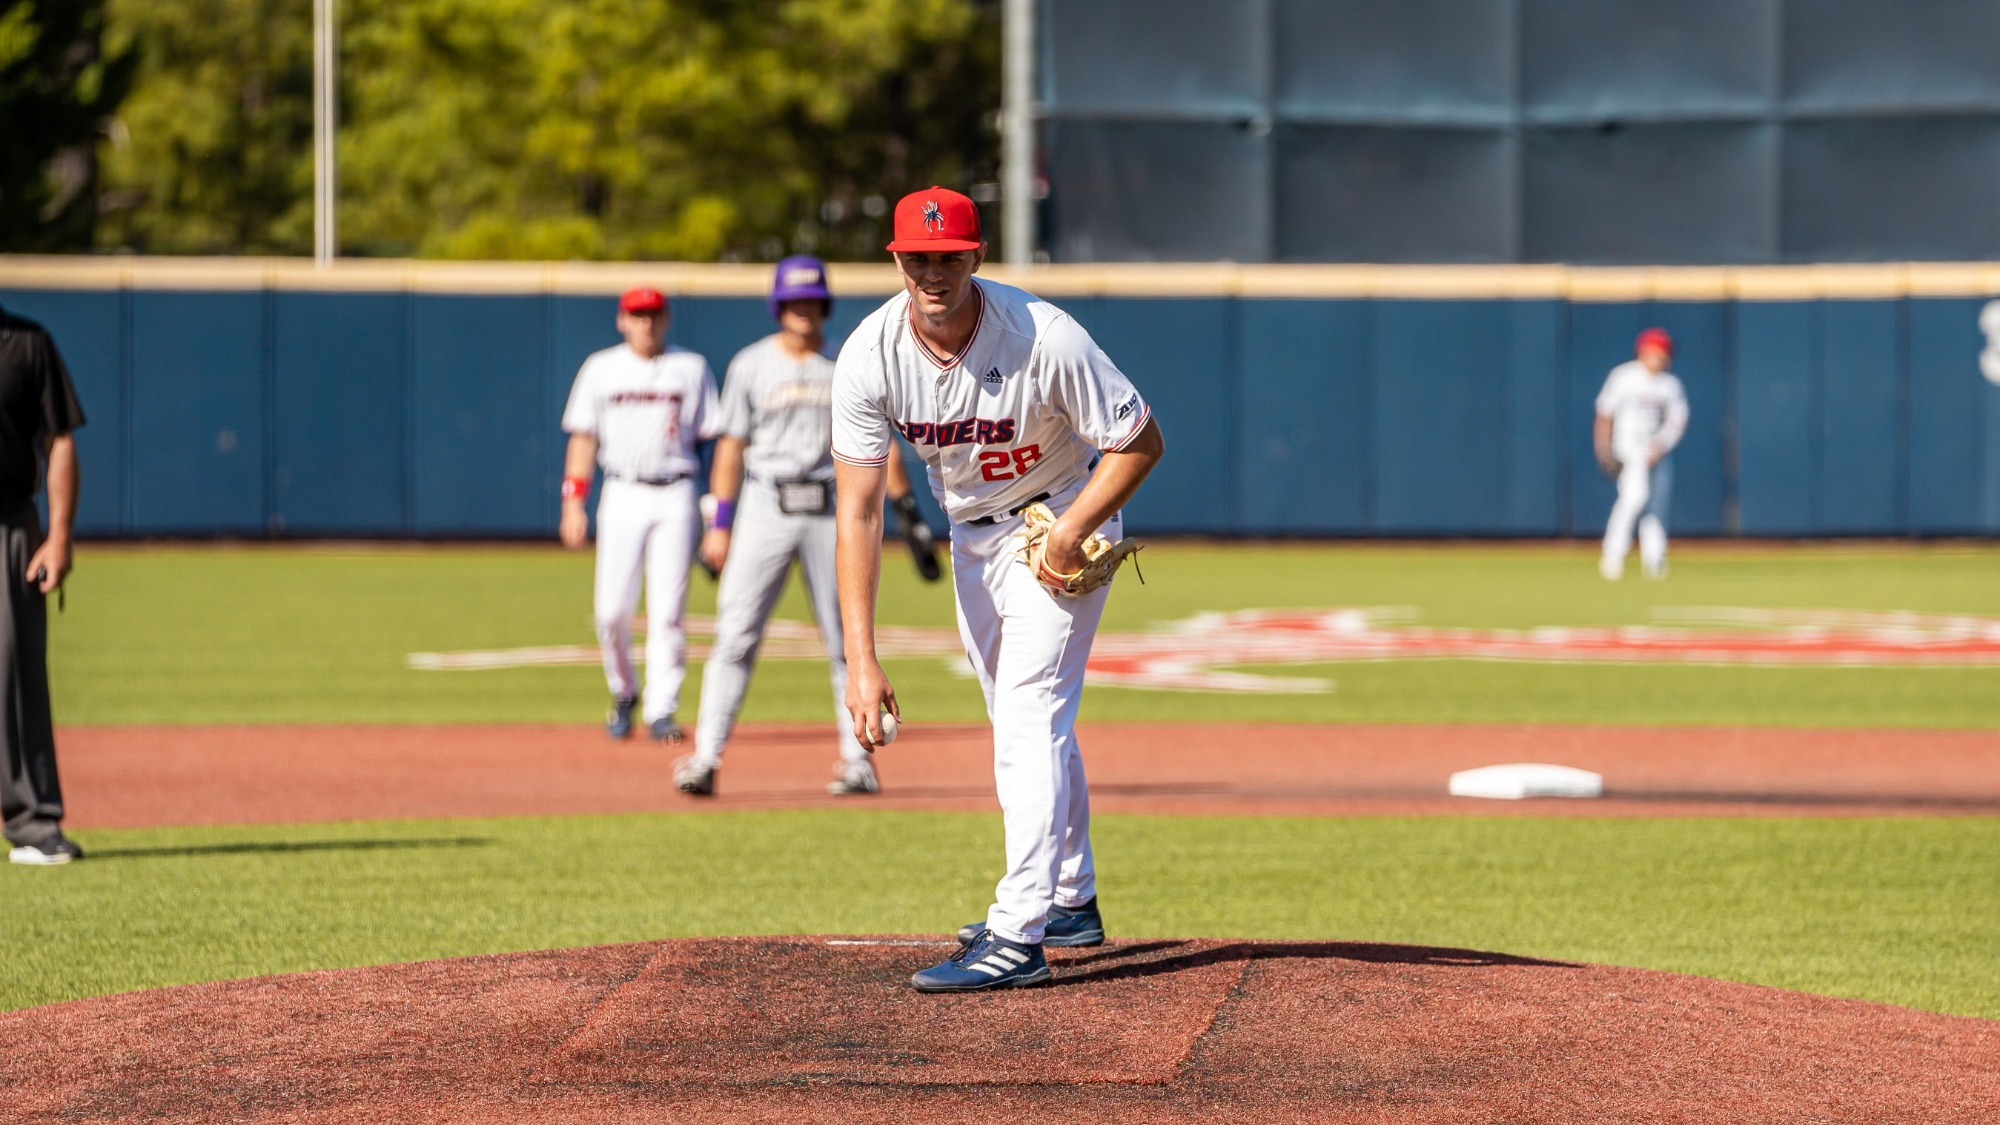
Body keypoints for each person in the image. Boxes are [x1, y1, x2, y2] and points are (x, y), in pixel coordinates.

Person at [832, 187, 1165, 992]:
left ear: (976, 257)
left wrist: (1068, 527)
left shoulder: (1043, 334)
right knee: (1027, 717)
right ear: (898, 262)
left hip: (1062, 518)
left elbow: (1139, 440)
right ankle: (1071, 898)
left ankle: (1020, 932)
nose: (933, 271)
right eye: (918, 257)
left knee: (1027, 718)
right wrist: (861, 659)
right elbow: (860, 508)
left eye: (949, 256)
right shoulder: (870, 354)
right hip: (974, 541)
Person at [677, 257, 933, 799]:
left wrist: (907, 513)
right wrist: (718, 525)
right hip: (765, 503)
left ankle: (858, 763)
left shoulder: (847, 359)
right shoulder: (751, 365)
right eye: (794, 302)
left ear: (825, 304)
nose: (804, 311)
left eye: (812, 301)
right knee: (735, 636)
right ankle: (706, 757)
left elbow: (880, 445)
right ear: (778, 306)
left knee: (847, 642)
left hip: (829, 508)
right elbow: (730, 448)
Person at [559, 288, 720, 743]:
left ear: (666, 319)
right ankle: (624, 689)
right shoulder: (601, 368)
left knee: (668, 612)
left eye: (652, 315)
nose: (645, 324)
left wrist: (714, 514)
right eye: (637, 316)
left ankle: (662, 710)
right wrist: (573, 502)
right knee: (611, 612)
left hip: (676, 491)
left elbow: (710, 443)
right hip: (622, 490)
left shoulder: (690, 367)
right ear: (622, 320)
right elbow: (583, 439)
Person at [0, 304, 87, 865]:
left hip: (8, 522)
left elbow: (59, 440)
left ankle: (33, 821)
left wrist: (58, 536)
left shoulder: (27, 343)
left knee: (16, 667)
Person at [1595, 327, 1689, 581]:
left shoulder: (1669, 385)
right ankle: (1613, 555)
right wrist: (1603, 450)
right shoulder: (1624, 377)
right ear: (1645, 352)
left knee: (1657, 505)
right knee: (1635, 498)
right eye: (1659, 352)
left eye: (1666, 353)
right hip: (1628, 447)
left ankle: (1655, 560)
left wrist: (1661, 446)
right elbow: (1605, 414)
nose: (1664, 358)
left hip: (1656, 448)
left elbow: (1677, 421)